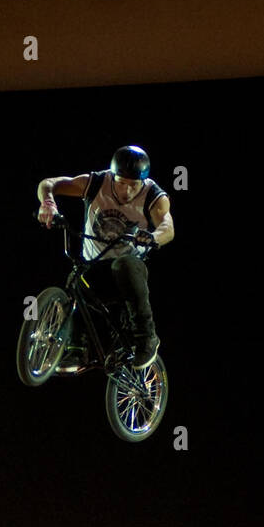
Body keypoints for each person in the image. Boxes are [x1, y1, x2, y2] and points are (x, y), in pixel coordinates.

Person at [37, 145, 174, 368]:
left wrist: (153, 237)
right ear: (113, 176)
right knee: (76, 281)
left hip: (128, 274)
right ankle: (76, 350)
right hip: (95, 269)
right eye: (121, 183)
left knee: (124, 264)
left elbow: (168, 227)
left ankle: (146, 337)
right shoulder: (97, 183)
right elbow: (49, 183)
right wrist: (48, 203)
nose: (127, 191)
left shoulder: (154, 196)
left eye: (134, 185)